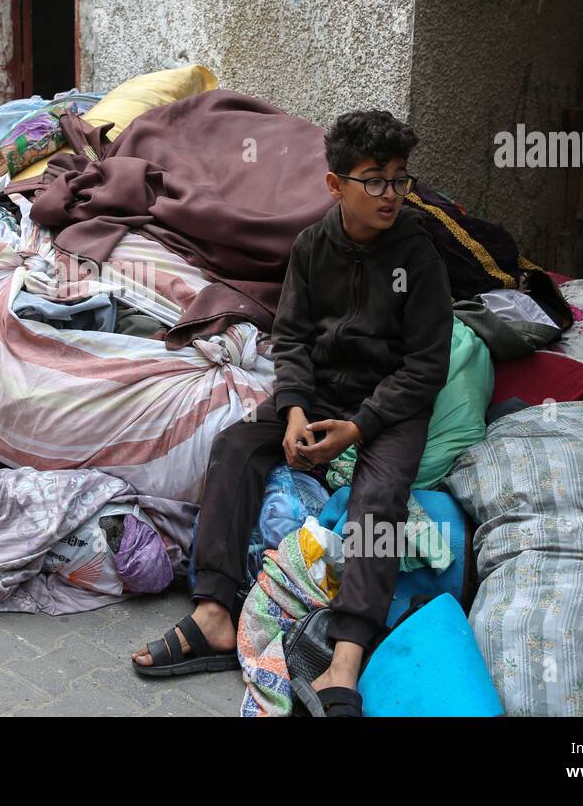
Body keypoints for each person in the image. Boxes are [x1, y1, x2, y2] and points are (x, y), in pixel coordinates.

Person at [131, 110, 453, 717]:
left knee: (380, 496)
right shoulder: (312, 246)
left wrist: (360, 428)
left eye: (400, 179)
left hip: (391, 402)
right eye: (374, 180)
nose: (391, 194)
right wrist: (298, 409)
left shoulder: (421, 256)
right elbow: (294, 337)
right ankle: (214, 612)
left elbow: (426, 366)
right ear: (337, 186)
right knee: (233, 447)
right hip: (322, 389)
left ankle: (345, 659)